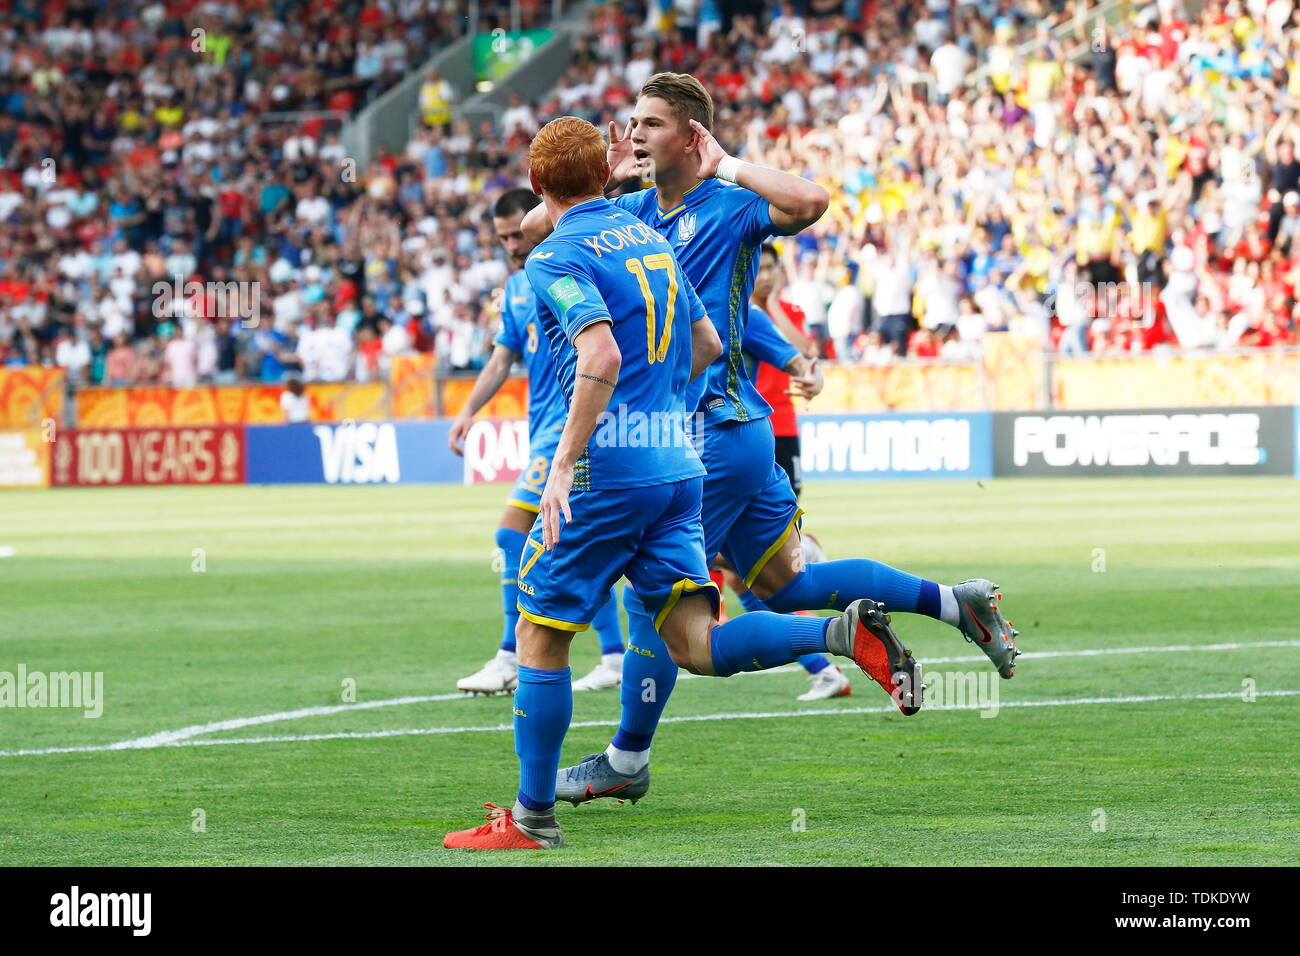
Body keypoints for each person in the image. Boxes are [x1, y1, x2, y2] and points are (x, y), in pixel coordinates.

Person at [518, 74, 1018, 808]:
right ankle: (952, 601)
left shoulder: (728, 206)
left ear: (690, 134)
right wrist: (597, 181)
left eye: (650, 124)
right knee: (785, 584)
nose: (634, 135)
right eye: (628, 125)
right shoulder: (629, 213)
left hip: (703, 430)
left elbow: (810, 202)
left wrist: (726, 163)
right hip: (732, 428)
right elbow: (538, 229)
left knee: (665, 614)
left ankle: (626, 757)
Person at [444, 117, 918, 852]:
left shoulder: (554, 256)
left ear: (537, 187)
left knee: (539, 639)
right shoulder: (652, 243)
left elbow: (598, 349)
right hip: (678, 465)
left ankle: (533, 819)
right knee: (693, 640)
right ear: (606, 175)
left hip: (608, 470)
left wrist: (567, 459)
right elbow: (704, 343)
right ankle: (837, 632)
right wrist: (657, 413)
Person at [448, 189, 626, 696]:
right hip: (543, 429)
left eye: (515, 233)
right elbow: (503, 358)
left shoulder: (571, 265)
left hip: (569, 428)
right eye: (502, 237)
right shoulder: (516, 288)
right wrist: (467, 411)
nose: (511, 244)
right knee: (571, 541)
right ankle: (613, 655)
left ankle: (509, 654)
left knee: (510, 535)